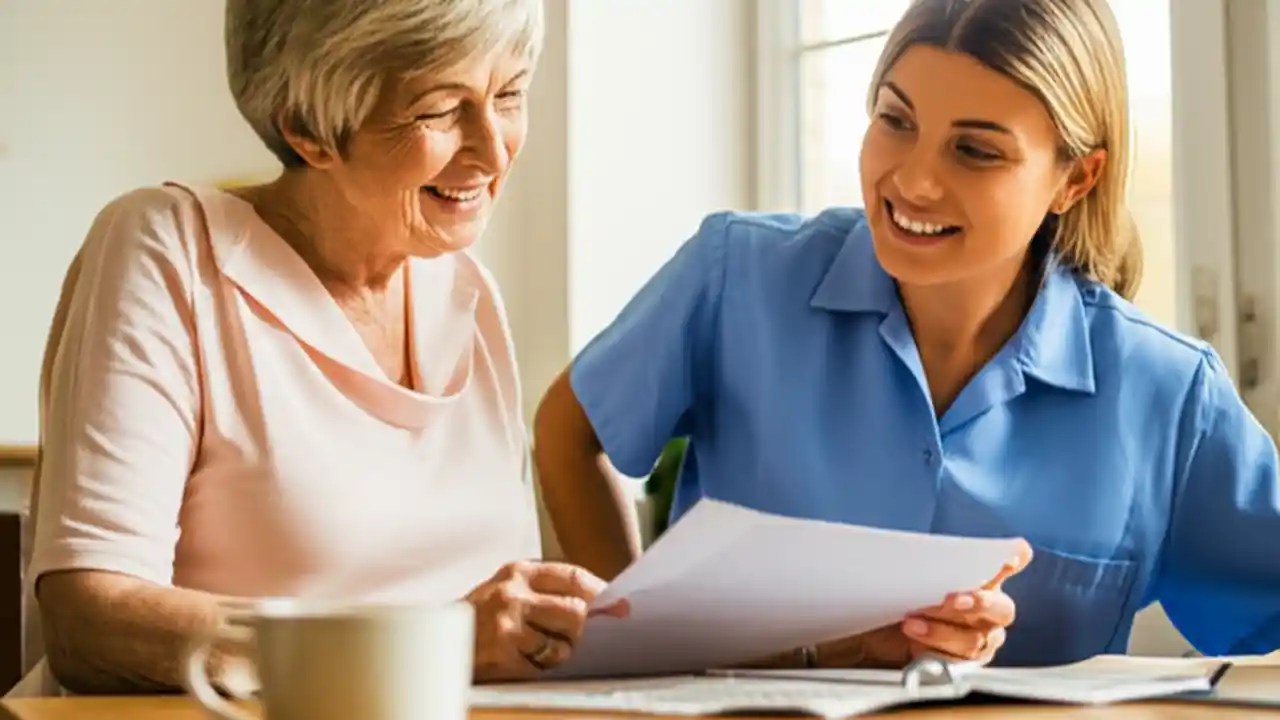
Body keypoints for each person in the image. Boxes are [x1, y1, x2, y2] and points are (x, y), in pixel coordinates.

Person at [534, 0, 1280, 669]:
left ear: (1074, 180)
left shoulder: (1168, 393)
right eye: (896, 121)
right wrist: (631, 639)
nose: (914, 182)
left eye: (975, 150)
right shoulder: (738, 277)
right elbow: (569, 430)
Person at [20, 0, 617, 697]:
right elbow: (89, 619)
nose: (493, 148)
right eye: (440, 109)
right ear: (307, 128)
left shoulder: (469, 290)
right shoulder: (169, 248)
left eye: (509, 95)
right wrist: (433, 638)